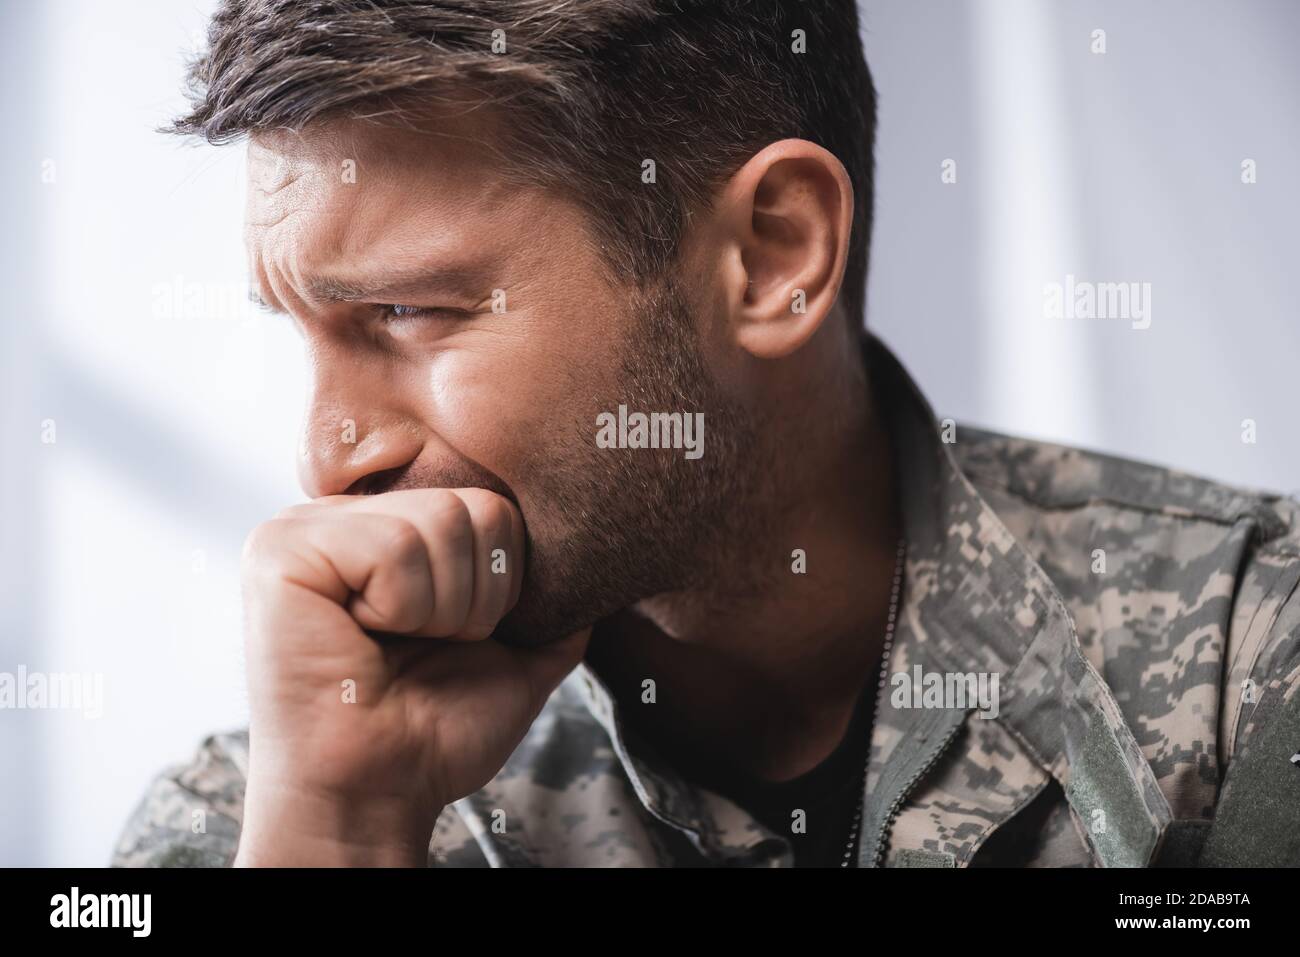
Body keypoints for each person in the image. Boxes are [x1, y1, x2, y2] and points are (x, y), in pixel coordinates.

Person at [113, 0, 1300, 868]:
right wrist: (343, 830)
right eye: (304, 330)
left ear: (772, 253)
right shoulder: (265, 806)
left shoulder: (1247, 663)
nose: (328, 459)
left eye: (411, 311)